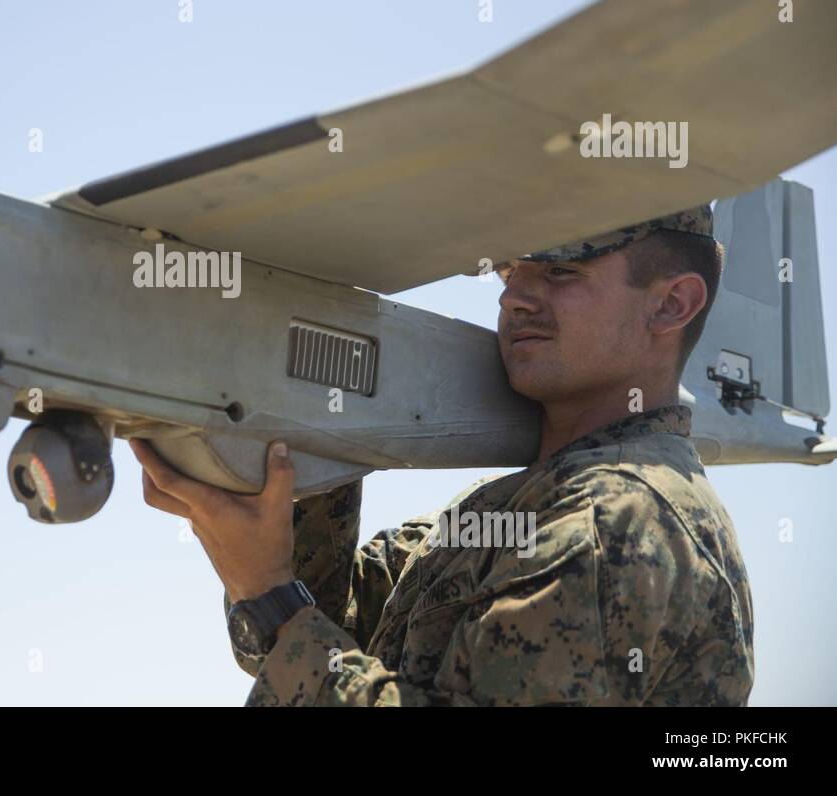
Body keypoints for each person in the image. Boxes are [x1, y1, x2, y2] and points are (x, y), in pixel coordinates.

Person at [133, 205, 754, 706]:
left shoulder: (609, 518)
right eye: (512, 271)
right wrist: (292, 465)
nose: (515, 297)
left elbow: (293, 636)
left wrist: (266, 592)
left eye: (562, 272)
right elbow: (327, 631)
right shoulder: (525, 507)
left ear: (671, 304)